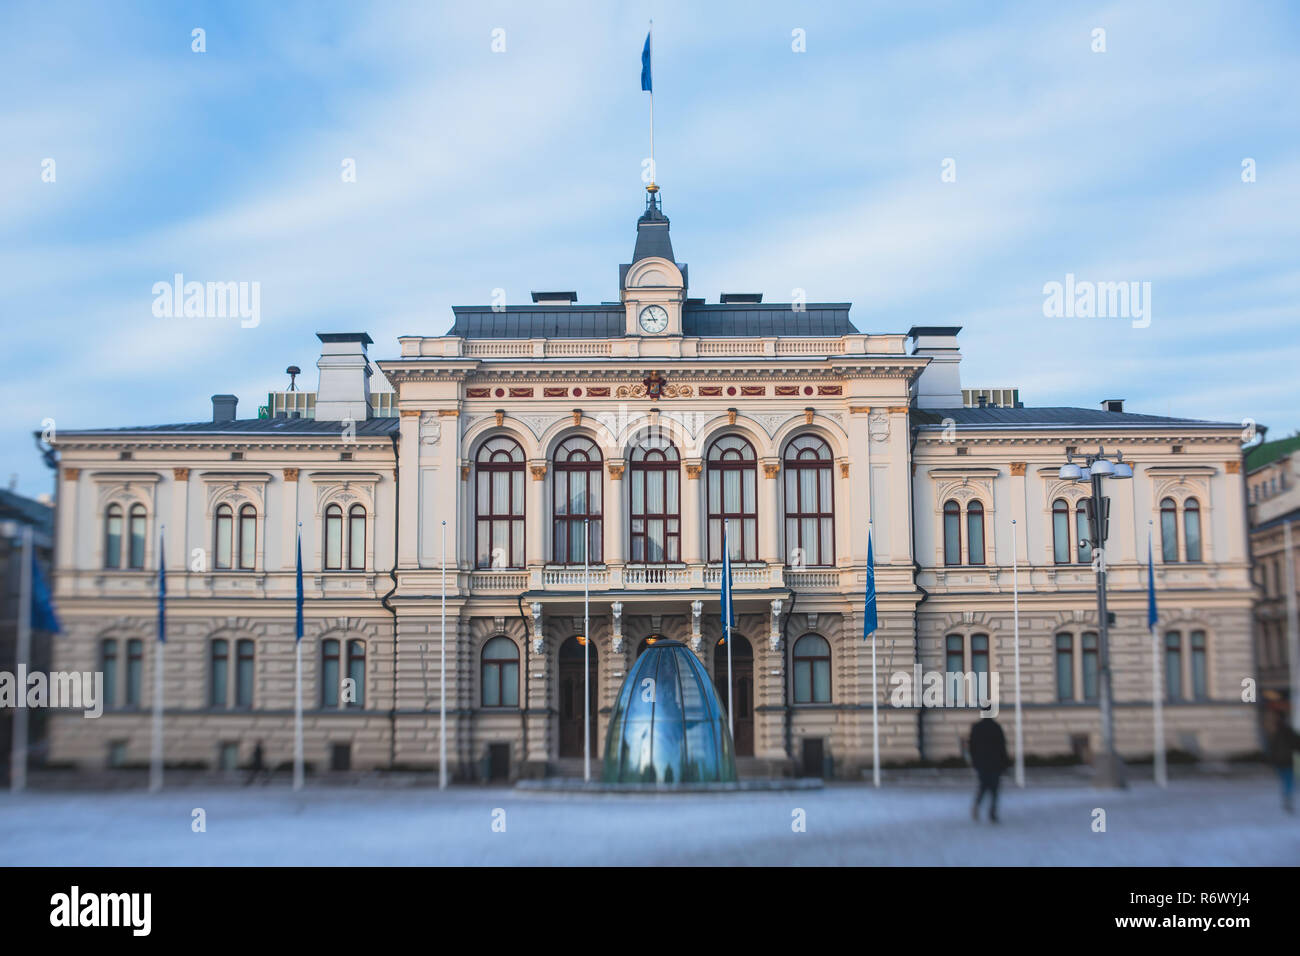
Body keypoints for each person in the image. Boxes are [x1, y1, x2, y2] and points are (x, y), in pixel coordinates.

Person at [969, 716, 1010, 823]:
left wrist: (974, 761)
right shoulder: (996, 727)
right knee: (994, 789)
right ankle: (992, 812)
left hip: (982, 763)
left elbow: (972, 746)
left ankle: (977, 806)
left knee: (983, 786)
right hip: (995, 763)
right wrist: (1005, 763)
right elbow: (1002, 746)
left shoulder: (977, 727)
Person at [1266, 710, 1299, 813]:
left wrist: (1271, 760)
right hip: (1286, 760)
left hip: (1278, 761)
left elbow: (1271, 748)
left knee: (1285, 780)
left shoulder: (1274, 732)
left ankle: (1287, 798)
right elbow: (1296, 744)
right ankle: (1287, 799)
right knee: (1288, 781)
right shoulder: (1288, 731)